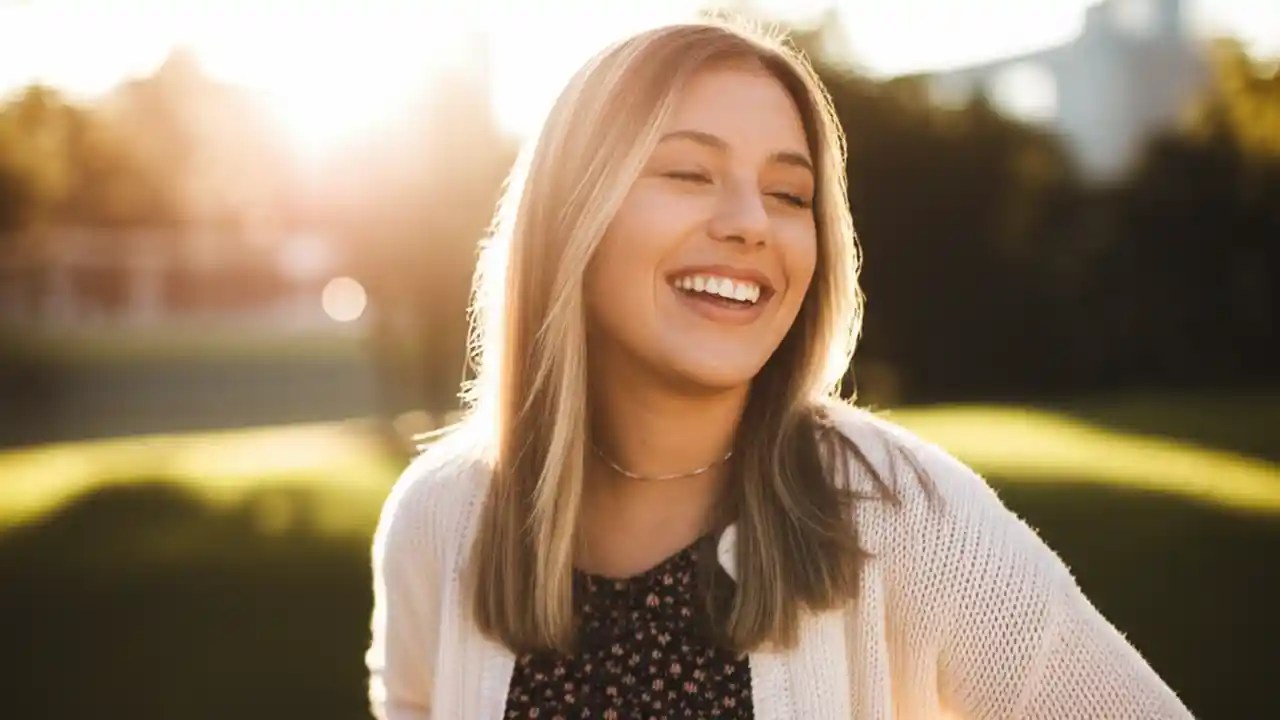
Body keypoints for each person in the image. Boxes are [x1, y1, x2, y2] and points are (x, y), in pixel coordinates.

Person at [365, 20, 1192, 720]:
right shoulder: (440, 518)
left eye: (790, 195)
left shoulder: (904, 517)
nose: (751, 224)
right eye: (689, 173)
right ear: (569, 213)